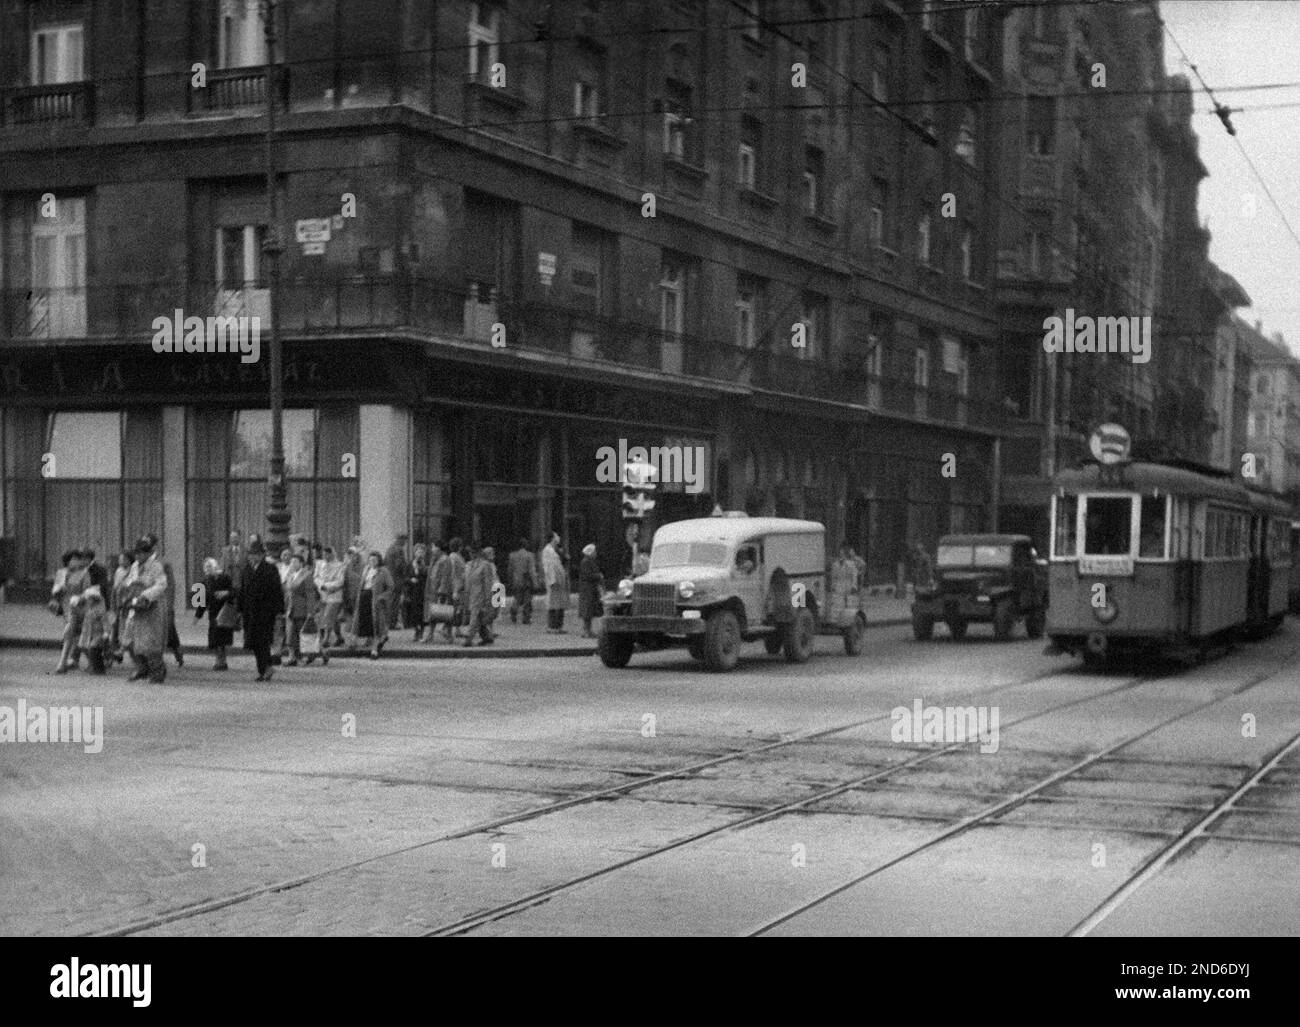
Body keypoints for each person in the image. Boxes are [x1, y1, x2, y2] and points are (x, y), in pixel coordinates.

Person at [120, 536, 169, 683]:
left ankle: (158, 672)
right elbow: (129, 580)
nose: (138, 556)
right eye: (137, 553)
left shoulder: (156, 566)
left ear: (148, 553)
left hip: (152, 607)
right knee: (131, 640)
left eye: (142, 553)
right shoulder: (134, 566)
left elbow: (162, 584)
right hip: (136, 607)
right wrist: (129, 587)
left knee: (151, 641)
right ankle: (141, 668)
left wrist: (145, 595)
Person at [239, 540, 283, 682]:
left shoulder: (270, 569)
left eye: (256, 554)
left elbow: (277, 591)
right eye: (251, 554)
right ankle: (264, 668)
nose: (253, 557)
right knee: (254, 642)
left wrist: (278, 610)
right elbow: (242, 590)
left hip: (265, 612)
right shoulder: (246, 569)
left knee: (263, 641)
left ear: (262, 555)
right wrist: (239, 609)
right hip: (250, 612)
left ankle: (265, 668)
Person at [195, 557, 235, 670]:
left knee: (222, 636)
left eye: (209, 566)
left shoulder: (225, 578)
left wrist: (226, 593)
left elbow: (234, 591)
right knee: (215, 637)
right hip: (213, 613)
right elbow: (202, 601)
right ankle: (220, 659)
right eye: (205, 567)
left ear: (215, 567)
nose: (207, 569)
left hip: (224, 611)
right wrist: (198, 616)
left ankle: (221, 660)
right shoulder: (205, 582)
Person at [352, 551, 394, 659]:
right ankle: (371, 641)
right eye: (370, 560)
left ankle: (375, 649)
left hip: (375, 599)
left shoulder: (383, 571)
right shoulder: (366, 569)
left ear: (379, 560)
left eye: (375, 560)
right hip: (364, 598)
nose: (372, 562)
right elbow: (362, 584)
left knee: (377, 625)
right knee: (367, 623)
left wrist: (382, 596)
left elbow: (390, 587)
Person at [51, 549, 87, 674]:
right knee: (74, 633)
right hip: (66, 605)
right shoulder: (61, 573)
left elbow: (87, 591)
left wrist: (80, 598)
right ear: (67, 561)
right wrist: (56, 593)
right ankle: (73, 659)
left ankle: (62, 663)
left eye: (78, 559)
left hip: (80, 606)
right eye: (73, 559)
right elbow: (55, 589)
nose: (76, 562)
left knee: (70, 632)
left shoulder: (83, 573)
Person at [283, 552, 319, 667]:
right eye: (292, 562)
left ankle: (307, 656)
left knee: (302, 634)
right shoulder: (290, 575)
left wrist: (310, 612)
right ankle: (292, 657)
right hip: (291, 608)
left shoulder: (307, 575)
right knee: (291, 634)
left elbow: (310, 595)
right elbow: (288, 593)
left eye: (295, 562)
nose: (292, 564)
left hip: (302, 608)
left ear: (301, 563)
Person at [314, 545, 345, 658]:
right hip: (322, 593)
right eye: (324, 554)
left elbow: (340, 580)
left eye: (328, 554)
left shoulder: (340, 565)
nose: (325, 556)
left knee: (328, 615)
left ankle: (326, 638)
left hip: (334, 594)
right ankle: (339, 636)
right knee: (329, 617)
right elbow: (316, 577)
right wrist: (321, 585)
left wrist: (328, 586)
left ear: (332, 554)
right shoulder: (319, 564)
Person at [462, 544, 496, 647]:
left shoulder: (485, 565)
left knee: (474, 617)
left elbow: (488, 583)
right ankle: (487, 637)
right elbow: (466, 580)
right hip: (470, 594)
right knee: (479, 618)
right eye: (470, 552)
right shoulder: (468, 565)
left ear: (478, 553)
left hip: (480, 595)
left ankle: (469, 638)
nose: (470, 554)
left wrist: (488, 599)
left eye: (472, 552)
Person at [542, 532, 569, 633]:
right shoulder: (548, 551)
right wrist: (552, 580)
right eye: (557, 536)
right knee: (553, 604)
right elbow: (549, 567)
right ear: (553, 538)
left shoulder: (556, 549)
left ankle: (558, 626)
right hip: (554, 581)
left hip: (560, 580)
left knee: (560, 604)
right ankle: (553, 626)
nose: (559, 537)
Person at [109, 551, 132, 664]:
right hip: (118, 604)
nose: (120, 561)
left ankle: (122, 651)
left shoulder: (133, 571)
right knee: (115, 629)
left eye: (122, 559)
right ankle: (114, 654)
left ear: (128, 560)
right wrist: (113, 605)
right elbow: (115, 588)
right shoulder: (118, 571)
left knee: (127, 628)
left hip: (127, 604)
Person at [508, 538, 537, 625]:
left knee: (517, 597)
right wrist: (535, 582)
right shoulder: (529, 555)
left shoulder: (512, 555)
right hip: (526, 580)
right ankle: (526, 618)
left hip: (516, 580)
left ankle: (513, 610)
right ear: (526, 545)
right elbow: (532, 570)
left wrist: (510, 580)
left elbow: (510, 569)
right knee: (527, 599)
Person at [577, 543, 604, 638]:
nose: (596, 553)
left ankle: (588, 630)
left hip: (590, 589)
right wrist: (598, 576)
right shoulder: (586, 562)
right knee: (587, 610)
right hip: (587, 589)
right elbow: (587, 575)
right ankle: (586, 630)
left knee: (590, 610)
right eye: (594, 551)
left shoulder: (590, 561)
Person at [385, 535, 410, 630]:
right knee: (394, 602)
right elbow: (399, 565)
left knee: (390, 601)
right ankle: (392, 623)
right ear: (401, 540)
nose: (405, 544)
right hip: (397, 579)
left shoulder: (389, 549)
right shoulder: (399, 550)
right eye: (404, 541)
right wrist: (405, 573)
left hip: (389, 578)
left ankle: (388, 623)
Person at [445, 536, 467, 642]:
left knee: (458, 608)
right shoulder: (454, 557)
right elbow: (453, 572)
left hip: (460, 584)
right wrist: (454, 589)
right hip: (457, 585)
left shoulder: (457, 556)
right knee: (455, 608)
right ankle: (447, 628)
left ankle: (457, 629)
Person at [405, 543, 429, 642]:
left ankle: (422, 632)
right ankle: (416, 630)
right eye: (418, 551)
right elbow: (405, 577)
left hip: (424, 590)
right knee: (414, 612)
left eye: (422, 552)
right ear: (415, 553)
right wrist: (411, 580)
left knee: (422, 613)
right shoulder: (410, 564)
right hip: (413, 591)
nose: (420, 554)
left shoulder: (426, 564)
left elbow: (428, 576)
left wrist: (419, 569)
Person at [162, 561, 184, 667]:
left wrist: (169, 605)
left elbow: (171, 587)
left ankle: (178, 654)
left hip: (165, 605)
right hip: (156, 604)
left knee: (170, 630)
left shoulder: (165, 565)